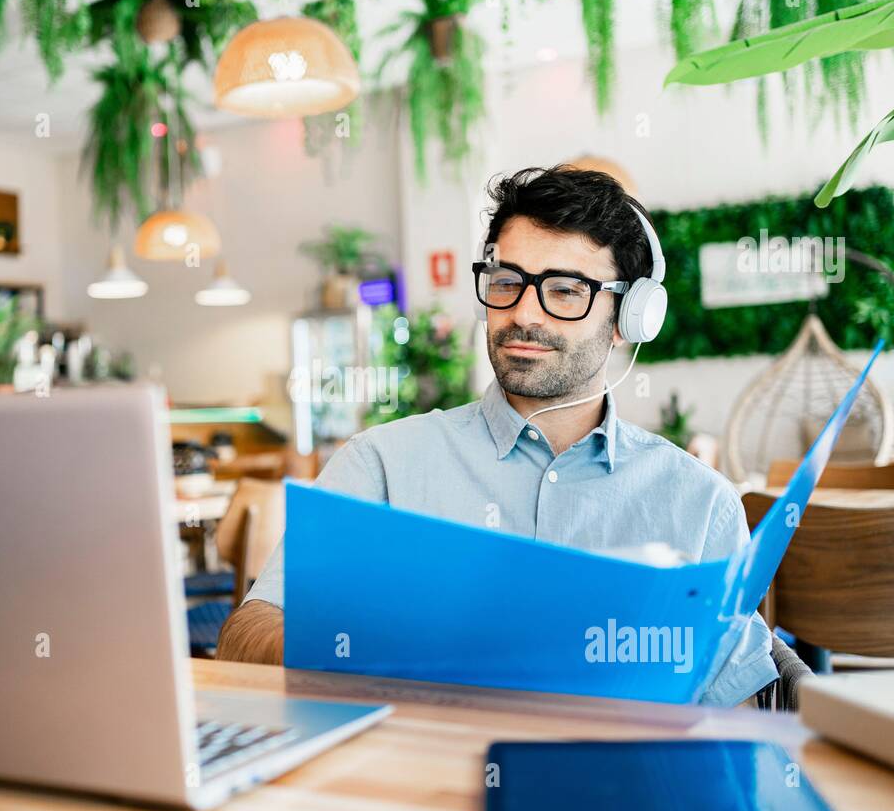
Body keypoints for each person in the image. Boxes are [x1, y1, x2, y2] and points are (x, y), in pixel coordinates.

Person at [217, 165, 777, 706]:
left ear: (627, 317)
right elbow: (245, 637)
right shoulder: (381, 464)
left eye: (565, 290)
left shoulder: (700, 504)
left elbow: (739, 709)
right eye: (508, 282)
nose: (523, 313)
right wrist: (376, 648)